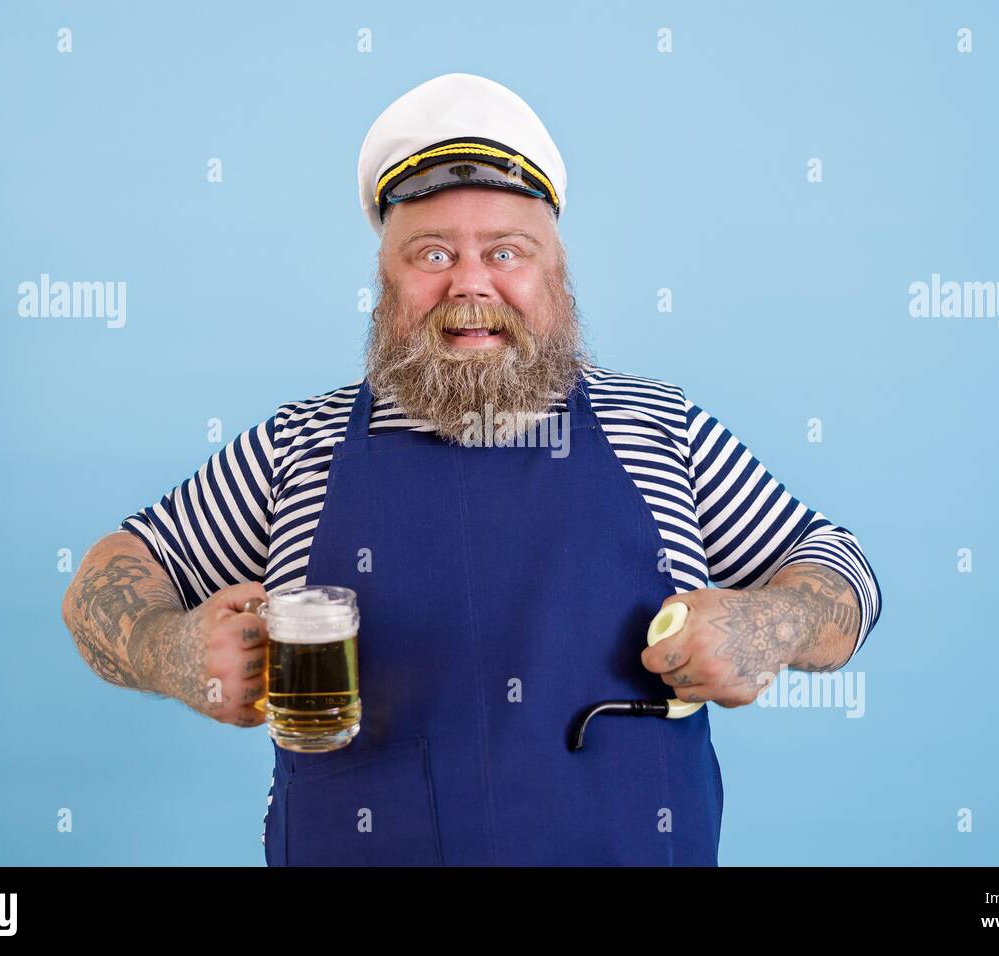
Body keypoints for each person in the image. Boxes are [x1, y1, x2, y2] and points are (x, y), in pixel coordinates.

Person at [61, 73, 882, 867]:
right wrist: (170, 652)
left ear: (556, 274)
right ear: (384, 284)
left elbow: (844, 576)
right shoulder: (297, 446)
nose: (471, 283)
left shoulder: (657, 427)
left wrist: (769, 626)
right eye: (430, 254)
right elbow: (105, 579)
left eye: (506, 251)